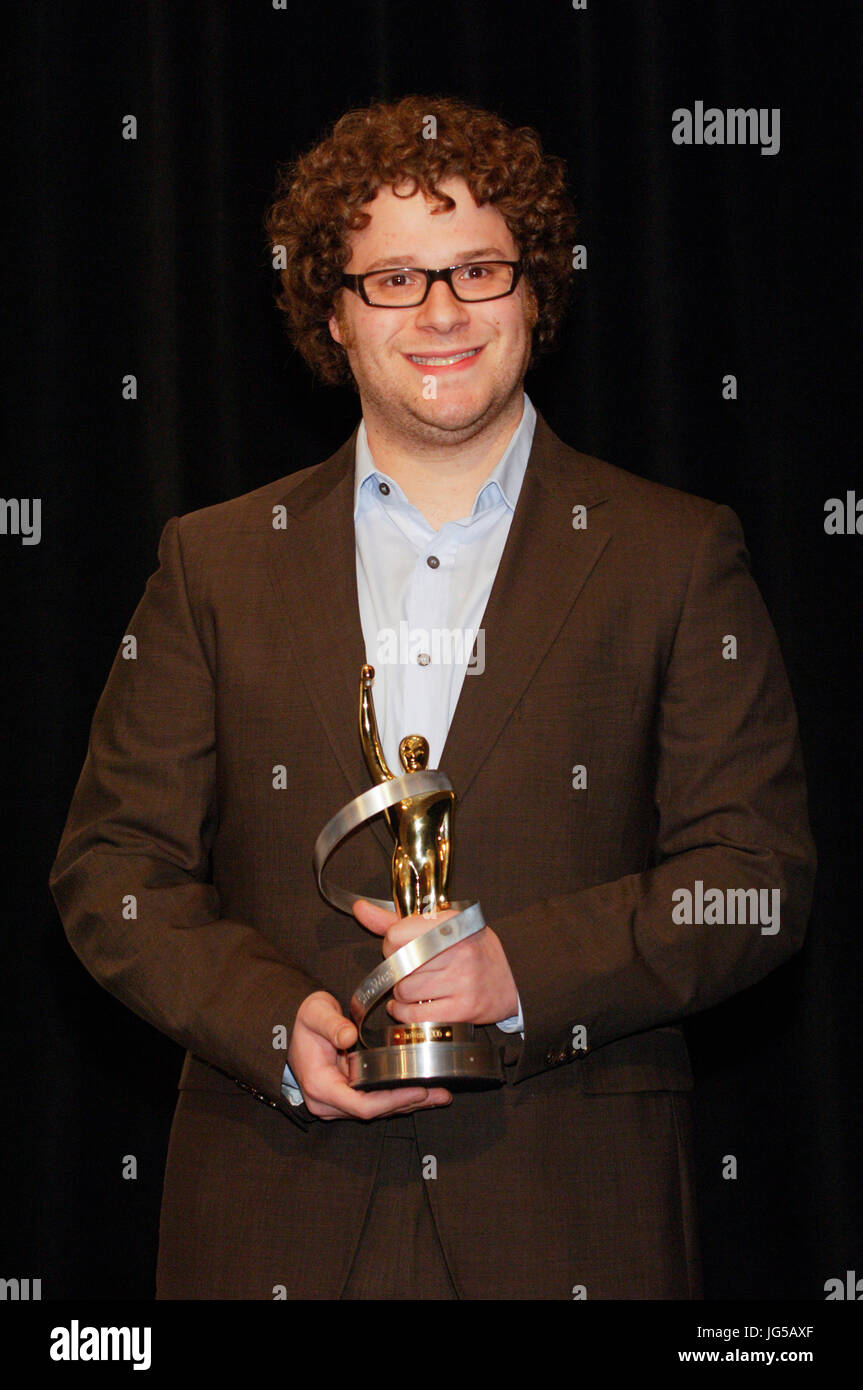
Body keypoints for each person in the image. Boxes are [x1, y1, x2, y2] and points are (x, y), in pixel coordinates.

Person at [49, 94, 816, 1300]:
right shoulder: (213, 561)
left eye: (476, 268)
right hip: (268, 1215)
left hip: (572, 1219)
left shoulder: (676, 553)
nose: (443, 311)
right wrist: (274, 1027)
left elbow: (755, 876)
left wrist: (526, 972)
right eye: (395, 279)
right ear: (334, 316)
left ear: (534, 292)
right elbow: (110, 870)